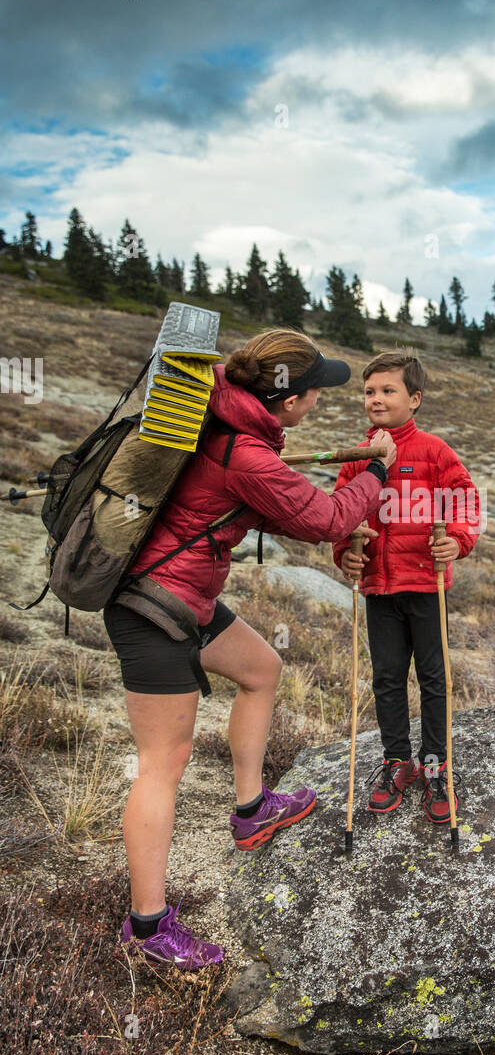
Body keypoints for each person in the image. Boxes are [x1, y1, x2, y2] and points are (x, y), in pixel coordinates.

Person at [105, 328, 397, 970]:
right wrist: (377, 469)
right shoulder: (246, 453)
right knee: (163, 762)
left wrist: (322, 508)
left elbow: (270, 508)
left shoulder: (226, 425)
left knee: (262, 667)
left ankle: (251, 808)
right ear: (288, 401)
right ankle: (148, 930)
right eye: (316, 391)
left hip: (184, 598)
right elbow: (323, 518)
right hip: (153, 608)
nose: (320, 401)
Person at [331, 351, 480, 824]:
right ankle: (398, 760)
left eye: (388, 390)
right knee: (387, 677)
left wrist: (456, 540)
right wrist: (346, 553)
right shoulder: (358, 457)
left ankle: (436, 762)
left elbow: (465, 500)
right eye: (370, 391)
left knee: (435, 678)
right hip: (378, 588)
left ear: (414, 399)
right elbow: (341, 514)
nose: (376, 399)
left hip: (426, 584)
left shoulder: (435, 452)